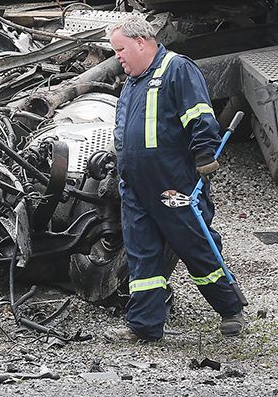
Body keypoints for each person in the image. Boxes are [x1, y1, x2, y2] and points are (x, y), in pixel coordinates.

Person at [107, 18, 245, 342]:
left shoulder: (177, 69)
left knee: (195, 246)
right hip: (135, 186)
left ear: (141, 42)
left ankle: (230, 308)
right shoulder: (131, 83)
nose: (118, 58)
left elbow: (199, 114)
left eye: (120, 50)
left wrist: (204, 155)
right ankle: (145, 325)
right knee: (142, 254)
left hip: (174, 183)